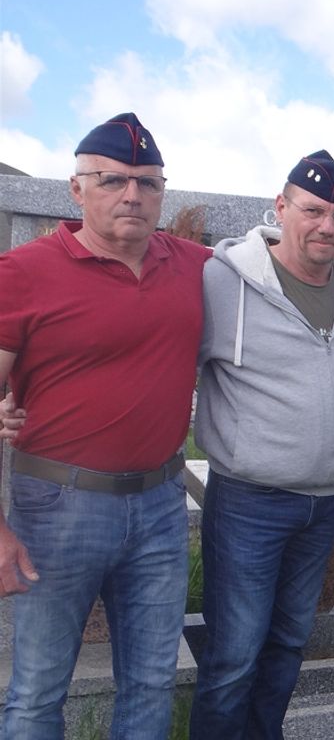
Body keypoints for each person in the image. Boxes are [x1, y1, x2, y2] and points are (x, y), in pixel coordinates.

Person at [0, 113, 204, 738]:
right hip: (57, 506)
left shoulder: (193, 265)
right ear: (76, 189)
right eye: (113, 180)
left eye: (149, 183)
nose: (133, 195)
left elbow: (279, 256)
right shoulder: (21, 273)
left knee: (149, 684)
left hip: (161, 507)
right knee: (37, 691)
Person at [189, 150, 334, 738]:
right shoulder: (223, 281)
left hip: (325, 505)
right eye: (313, 210)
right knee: (234, 656)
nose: (327, 225)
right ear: (280, 207)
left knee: (290, 644)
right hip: (250, 502)